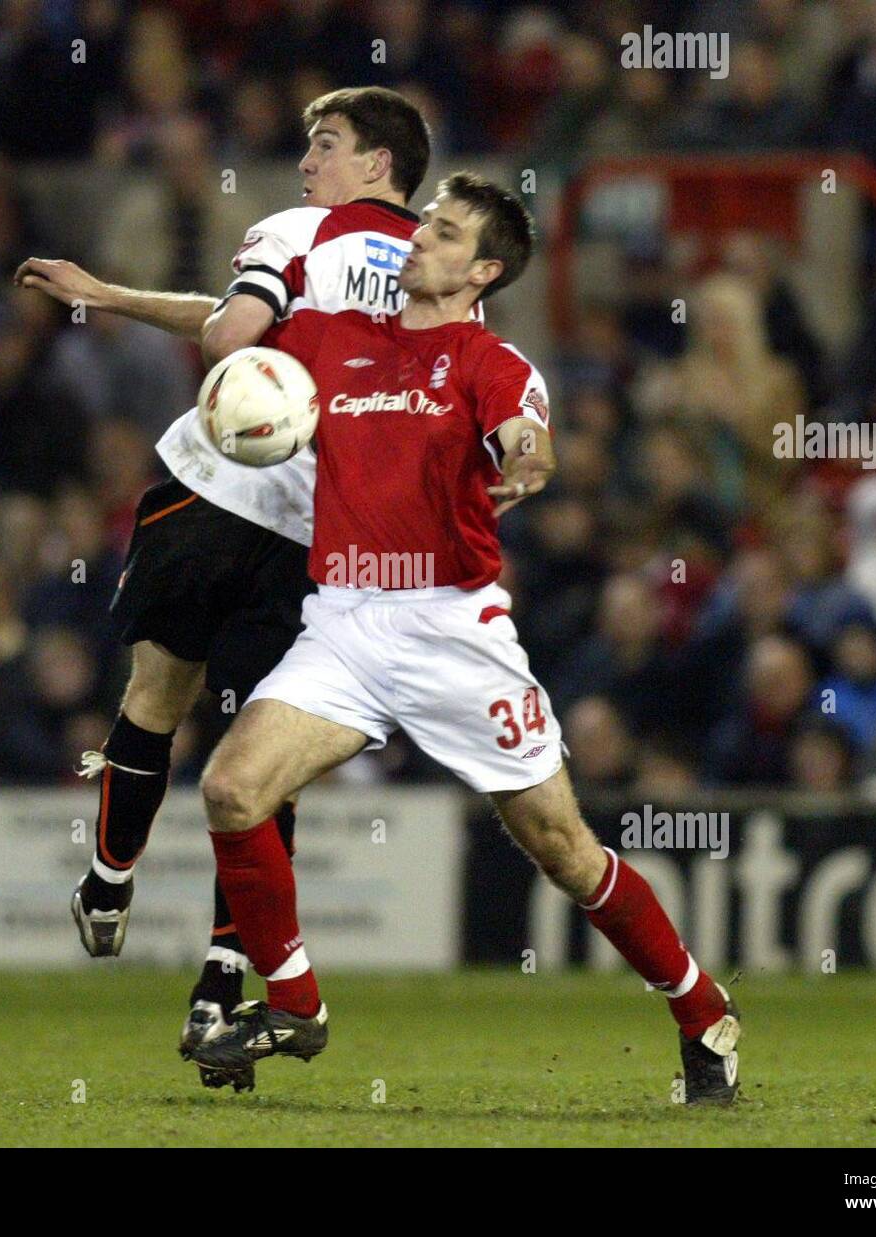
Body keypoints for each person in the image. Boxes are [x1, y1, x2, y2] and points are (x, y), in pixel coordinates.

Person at [189, 174, 742, 1104]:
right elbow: (224, 325)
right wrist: (108, 298)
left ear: (484, 268)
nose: (418, 241)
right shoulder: (336, 336)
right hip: (345, 621)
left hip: (452, 628)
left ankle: (702, 1009)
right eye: (423, 225)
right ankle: (295, 1004)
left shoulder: (490, 362)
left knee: (564, 849)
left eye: (442, 234)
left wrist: (527, 463)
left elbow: (529, 435)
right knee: (232, 789)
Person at [14, 87, 432, 1066]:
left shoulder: (297, 230)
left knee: (156, 699)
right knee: (260, 761)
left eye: (325, 145)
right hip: (318, 541)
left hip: (215, 492)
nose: (306, 164)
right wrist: (117, 293)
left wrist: (144, 314)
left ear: (377, 164)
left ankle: (112, 876)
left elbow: (228, 330)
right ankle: (219, 984)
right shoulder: (443, 276)